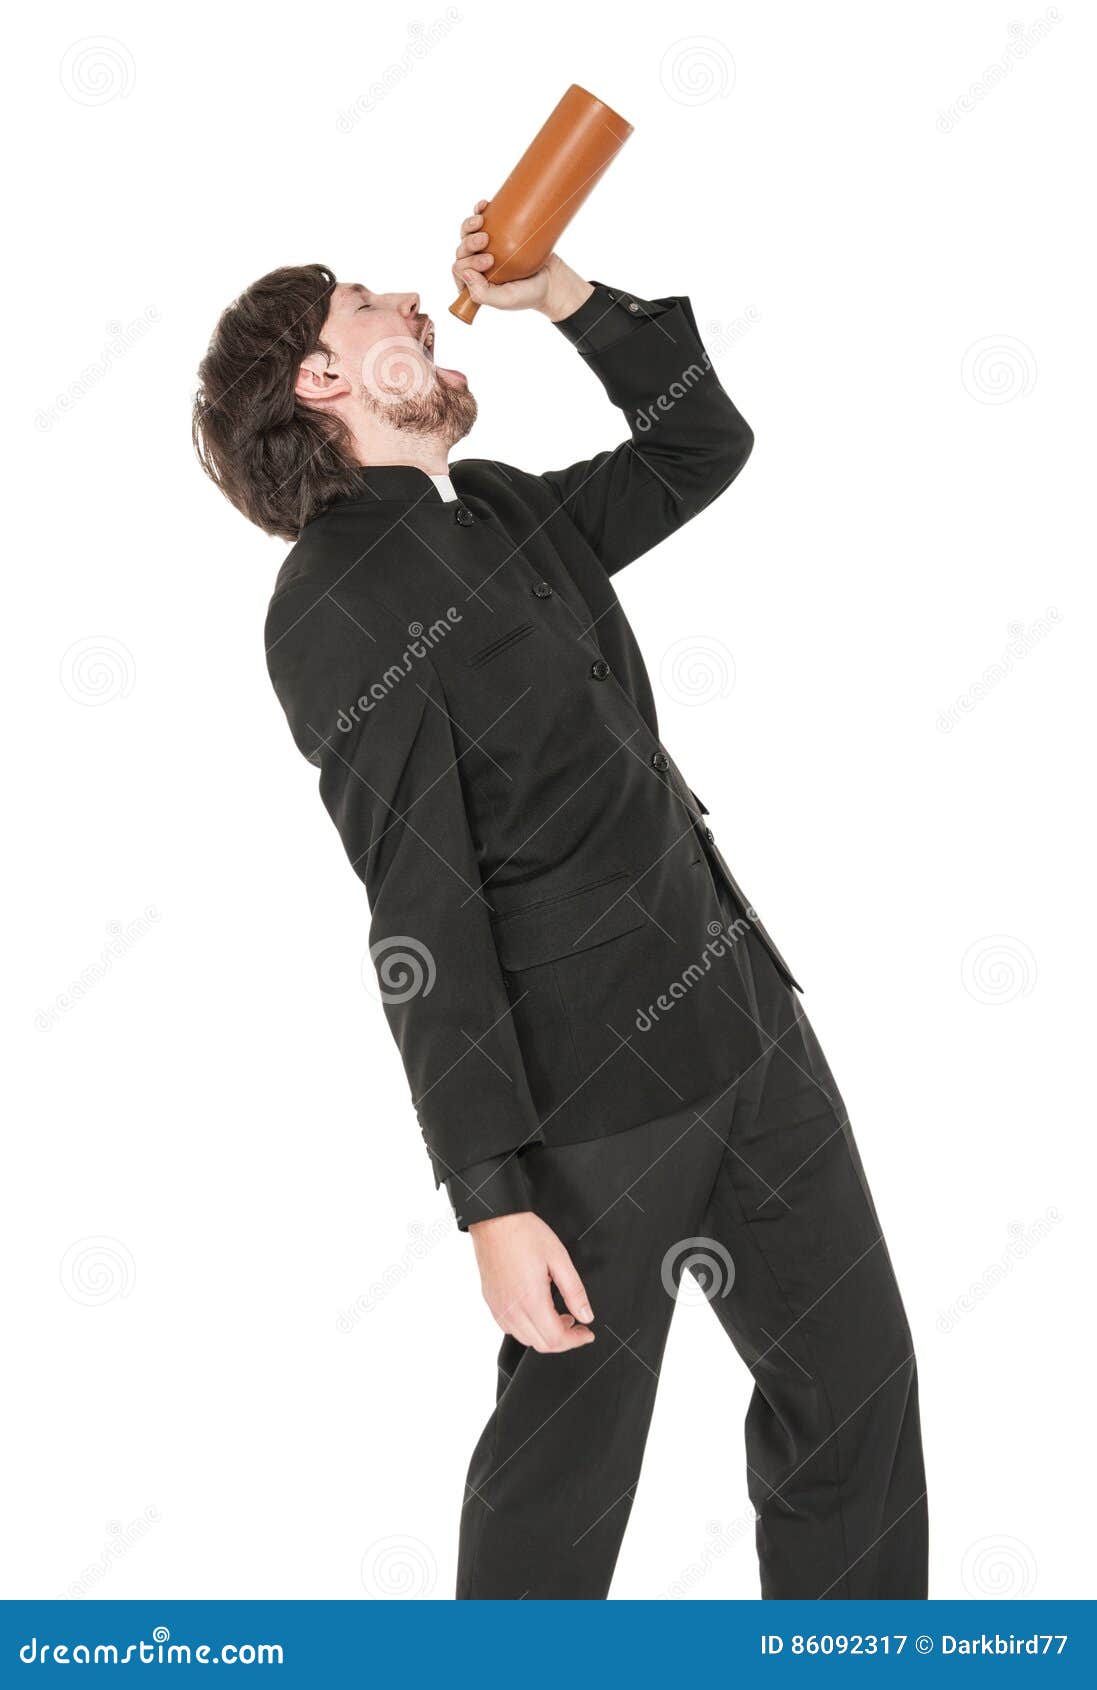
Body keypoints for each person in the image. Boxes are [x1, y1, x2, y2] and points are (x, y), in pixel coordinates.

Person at [193, 203, 928, 1600]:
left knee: (854, 1409)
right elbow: (418, 910)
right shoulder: (331, 595)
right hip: (591, 1104)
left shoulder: (515, 509)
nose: (409, 296)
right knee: (562, 1488)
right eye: (364, 302)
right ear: (319, 381)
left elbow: (700, 444)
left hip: (747, 1019)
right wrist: (490, 1198)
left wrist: (569, 296)